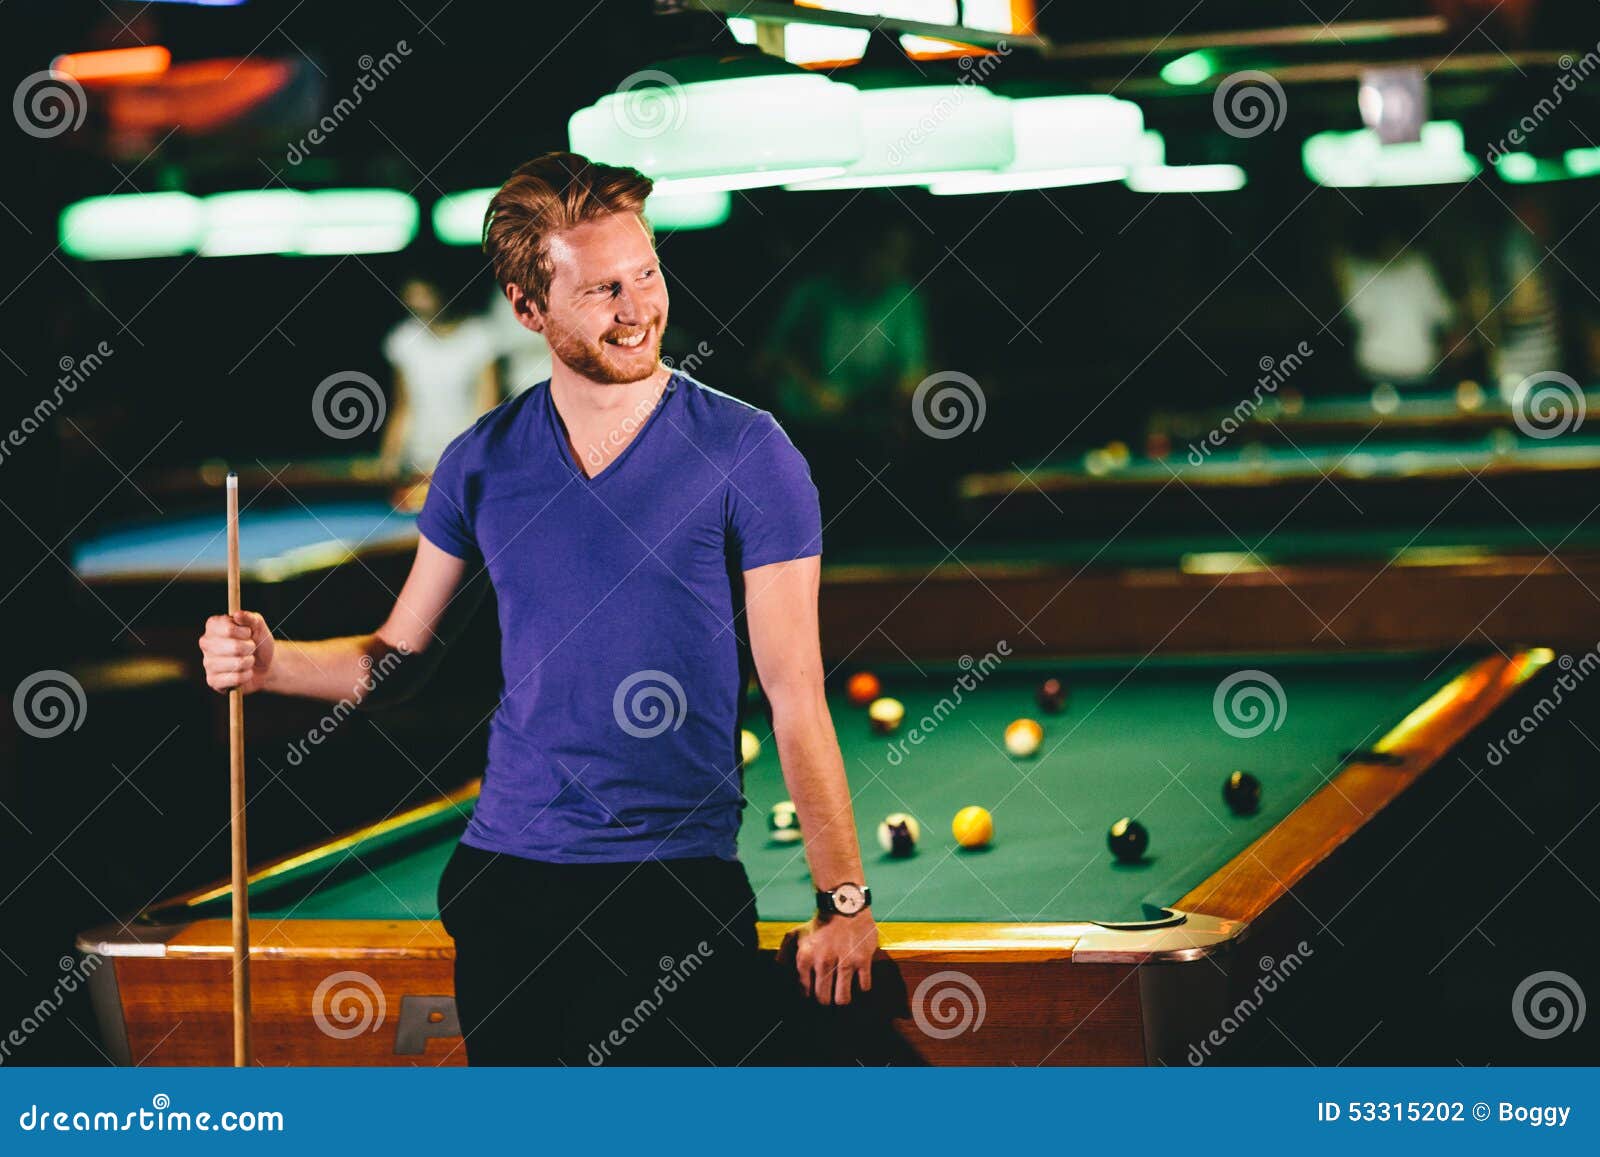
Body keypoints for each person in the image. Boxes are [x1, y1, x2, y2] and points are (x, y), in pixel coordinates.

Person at [199, 152, 878, 1066]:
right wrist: (272, 661)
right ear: (528, 308)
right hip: (504, 885)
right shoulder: (480, 461)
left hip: (672, 882)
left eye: (646, 275)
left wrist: (843, 899)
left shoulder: (750, 452)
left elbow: (796, 692)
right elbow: (398, 658)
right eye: (602, 289)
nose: (638, 309)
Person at [379, 277, 499, 475]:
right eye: (411, 294)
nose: (416, 301)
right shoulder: (402, 339)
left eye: (423, 294)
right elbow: (402, 407)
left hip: (465, 462)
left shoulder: (480, 336)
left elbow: (487, 409)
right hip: (417, 463)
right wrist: (389, 461)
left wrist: (471, 462)